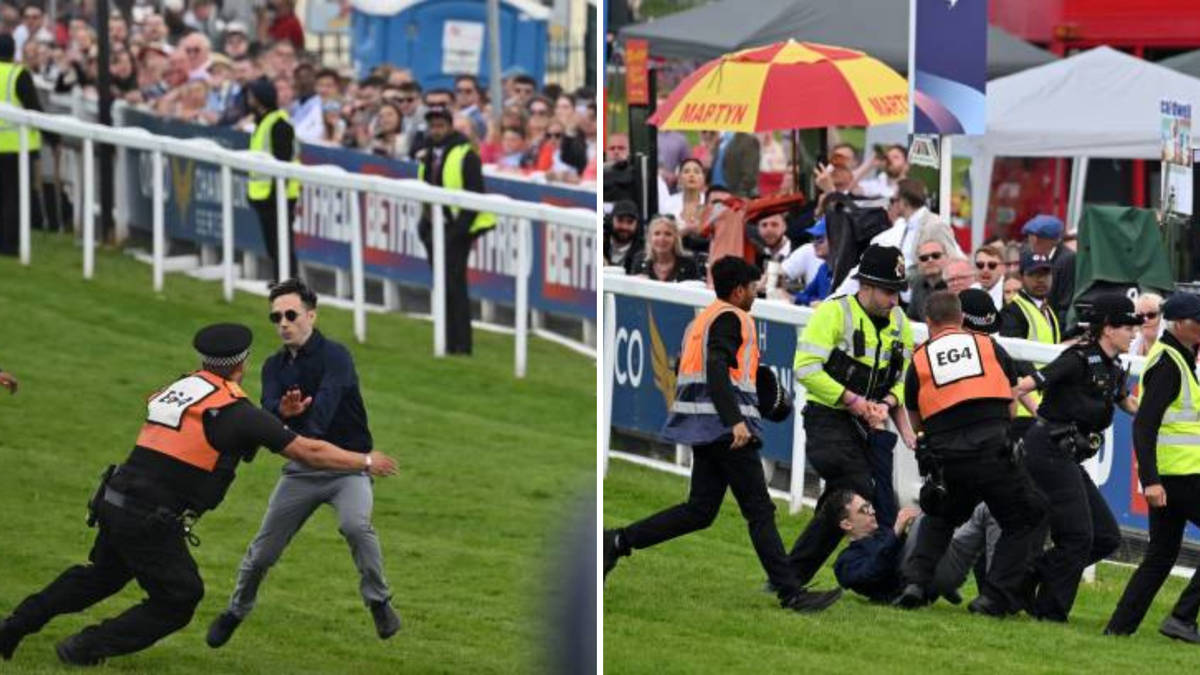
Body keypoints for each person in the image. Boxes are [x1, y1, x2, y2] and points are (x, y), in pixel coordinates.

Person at [0, 324, 397, 666]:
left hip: (114, 497)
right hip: (149, 515)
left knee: (98, 577)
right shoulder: (239, 412)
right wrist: (364, 461)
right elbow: (308, 451)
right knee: (180, 596)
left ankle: (13, 627)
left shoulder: (180, 388)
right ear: (243, 364)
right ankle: (84, 648)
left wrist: (279, 418)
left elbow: (226, 431)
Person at [603, 257, 843, 614]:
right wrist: (736, 421)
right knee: (759, 511)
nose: (757, 295)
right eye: (754, 288)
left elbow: (713, 368)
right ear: (738, 290)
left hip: (706, 427)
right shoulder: (732, 317)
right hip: (726, 430)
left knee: (699, 511)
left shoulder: (704, 318)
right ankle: (791, 593)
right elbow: (716, 365)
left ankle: (616, 541)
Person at [207, 281, 400, 647]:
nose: (283, 323)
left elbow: (323, 411)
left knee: (355, 526)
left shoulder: (337, 357)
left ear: (311, 315)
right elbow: (264, 417)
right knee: (262, 553)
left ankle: (379, 602)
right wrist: (281, 411)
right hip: (301, 471)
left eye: (291, 315)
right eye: (276, 317)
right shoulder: (273, 366)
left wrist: (294, 427)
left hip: (347, 468)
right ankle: (236, 610)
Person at [895, 291, 1047, 615]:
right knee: (1026, 517)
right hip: (992, 450)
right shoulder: (988, 346)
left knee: (941, 516)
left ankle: (915, 584)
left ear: (929, 322)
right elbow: (1010, 403)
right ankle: (993, 596)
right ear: (962, 318)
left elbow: (916, 418)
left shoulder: (921, 359)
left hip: (947, 457)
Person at [788, 244, 916, 588]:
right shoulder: (833, 313)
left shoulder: (900, 322)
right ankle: (869, 572)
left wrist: (887, 401)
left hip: (867, 424)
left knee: (841, 501)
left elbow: (905, 378)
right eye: (889, 292)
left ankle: (790, 576)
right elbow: (805, 368)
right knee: (857, 490)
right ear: (866, 286)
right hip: (827, 418)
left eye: (899, 292)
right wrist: (853, 400)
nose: (895, 301)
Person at [1014, 295, 1140, 622]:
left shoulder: (1113, 368)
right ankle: (1050, 612)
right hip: (1046, 450)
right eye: (1127, 327)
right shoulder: (1076, 359)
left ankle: (1026, 576)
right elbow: (1022, 386)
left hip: (1066, 455)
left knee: (1106, 537)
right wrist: (1016, 419)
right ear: (1108, 329)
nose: (1133, 334)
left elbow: (1129, 405)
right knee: (1079, 536)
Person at [1106, 293, 1200, 641]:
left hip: (1173, 474)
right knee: (1160, 555)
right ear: (1180, 324)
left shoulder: (1177, 356)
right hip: (1177, 476)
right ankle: (1182, 618)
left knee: (1160, 555)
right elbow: (1144, 425)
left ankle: (1119, 628)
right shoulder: (1169, 363)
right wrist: (1151, 481)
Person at [416, 105, 495, 356]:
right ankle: (449, 341)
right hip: (435, 226)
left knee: (455, 286)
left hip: (458, 229)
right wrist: (424, 226)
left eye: (440, 125)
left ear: (449, 126)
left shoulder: (466, 154)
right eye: (433, 125)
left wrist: (457, 233)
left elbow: (475, 196)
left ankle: (461, 345)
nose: (436, 130)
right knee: (442, 286)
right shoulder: (429, 152)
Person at [830, 490, 994, 605]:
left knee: (989, 508)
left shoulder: (882, 533)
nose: (872, 511)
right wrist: (896, 533)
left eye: (870, 506)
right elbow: (870, 574)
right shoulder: (845, 561)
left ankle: (990, 595)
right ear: (847, 524)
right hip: (910, 584)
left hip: (938, 569)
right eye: (864, 509)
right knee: (928, 511)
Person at [1000, 250, 1061, 442]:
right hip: (1025, 409)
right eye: (1034, 274)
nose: (1040, 279)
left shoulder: (1048, 310)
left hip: (1046, 406)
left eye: (1045, 274)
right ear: (1022, 277)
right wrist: (1034, 407)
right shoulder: (1013, 310)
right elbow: (1014, 360)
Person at [0, 33, 52, 257]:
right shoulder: (18, 74)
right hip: (17, 147)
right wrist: (53, 137)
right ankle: (9, 244)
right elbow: (34, 108)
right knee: (15, 197)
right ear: (14, 51)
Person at [245, 77, 300, 281]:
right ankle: (280, 278)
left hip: (279, 194)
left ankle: (288, 279)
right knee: (272, 242)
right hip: (264, 193)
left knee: (282, 241)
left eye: (251, 96)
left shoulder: (279, 124)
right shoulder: (262, 122)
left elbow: (283, 163)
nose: (247, 99)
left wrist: (278, 194)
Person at [1022, 215, 1076, 323]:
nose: (1031, 241)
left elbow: (1065, 302)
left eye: (1033, 236)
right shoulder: (1028, 254)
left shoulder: (1067, 259)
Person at [628, 216, 701, 282]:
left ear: (675, 239)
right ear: (650, 238)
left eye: (668, 234)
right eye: (657, 233)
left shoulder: (689, 263)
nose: (662, 239)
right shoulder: (640, 260)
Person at [907, 240, 950, 322]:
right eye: (924, 258)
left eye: (936, 256)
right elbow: (912, 318)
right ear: (918, 264)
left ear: (947, 258)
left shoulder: (955, 283)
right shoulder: (918, 284)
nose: (930, 260)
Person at [793, 219, 832, 307]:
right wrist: (813, 301)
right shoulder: (823, 268)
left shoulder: (846, 270)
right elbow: (803, 295)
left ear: (836, 240)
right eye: (813, 239)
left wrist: (822, 303)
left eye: (819, 239)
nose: (814, 244)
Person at [604, 200, 642, 271]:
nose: (624, 227)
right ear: (611, 220)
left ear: (637, 224)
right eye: (620, 220)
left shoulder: (643, 253)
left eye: (630, 222)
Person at [1131, 292, 1165, 357]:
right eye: (1140, 316)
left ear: (1162, 317)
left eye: (1151, 315)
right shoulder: (1130, 345)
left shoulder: (1171, 347)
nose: (1145, 320)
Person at [974, 244, 1006, 309]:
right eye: (980, 265)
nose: (985, 270)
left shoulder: (1009, 290)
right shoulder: (972, 291)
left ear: (1003, 268)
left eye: (992, 265)